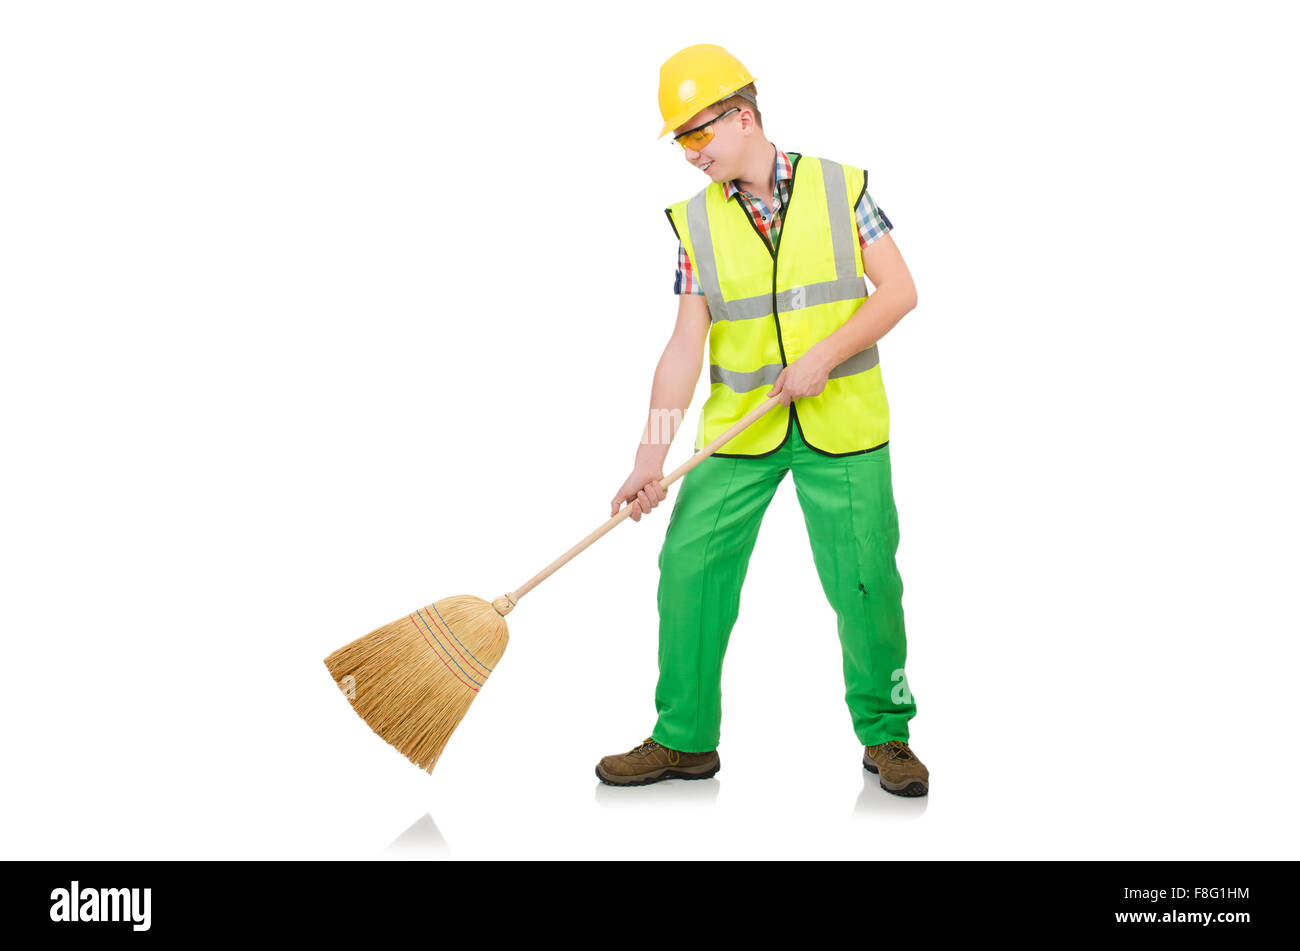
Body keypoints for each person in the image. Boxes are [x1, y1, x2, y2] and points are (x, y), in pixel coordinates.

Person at [595, 44, 927, 796]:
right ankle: (683, 739)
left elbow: (899, 291)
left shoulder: (841, 189)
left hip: (842, 428)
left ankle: (889, 734)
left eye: (695, 134)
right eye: (679, 140)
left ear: (742, 116)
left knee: (868, 580)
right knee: (688, 569)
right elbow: (683, 348)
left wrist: (824, 356)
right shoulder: (695, 225)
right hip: (741, 430)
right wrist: (650, 457)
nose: (688, 154)